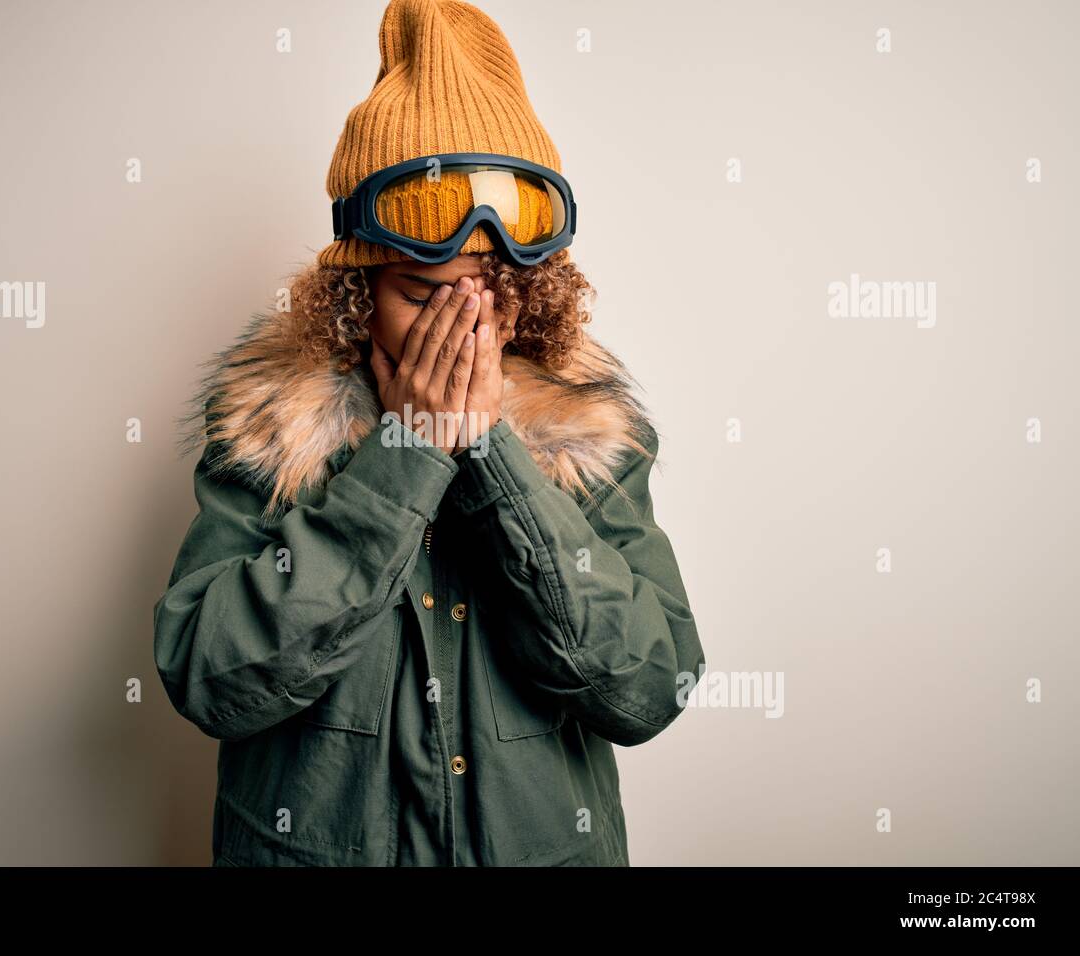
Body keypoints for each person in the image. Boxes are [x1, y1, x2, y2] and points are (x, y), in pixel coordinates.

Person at [153, 0, 705, 867]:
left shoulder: (585, 435)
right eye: (422, 294)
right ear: (358, 294)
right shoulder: (272, 428)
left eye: (491, 293)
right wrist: (405, 455)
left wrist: (494, 457)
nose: (465, 329)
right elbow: (207, 678)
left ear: (533, 291)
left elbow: (647, 688)